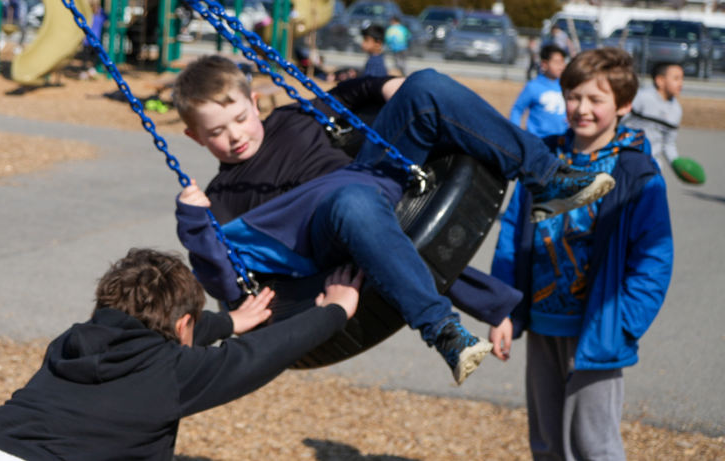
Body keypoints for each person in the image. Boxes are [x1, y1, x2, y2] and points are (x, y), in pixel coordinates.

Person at [172, 56, 616, 385]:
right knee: (351, 202)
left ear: (255, 102)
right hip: (328, 227)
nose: (235, 135)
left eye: (240, 118)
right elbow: (226, 281)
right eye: (216, 131)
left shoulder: (294, 117)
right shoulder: (220, 199)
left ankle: (547, 176)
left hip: (371, 179)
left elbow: (355, 93)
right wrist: (194, 221)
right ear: (195, 136)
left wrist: (393, 89)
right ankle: (442, 331)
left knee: (425, 85)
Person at [0, 249, 363, 461]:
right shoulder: (173, 371)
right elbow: (258, 356)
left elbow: (147, 333)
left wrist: (227, 323)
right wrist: (333, 312)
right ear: (184, 323)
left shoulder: (70, 344)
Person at [489, 48, 673, 460]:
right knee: (547, 443)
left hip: (598, 329)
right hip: (541, 324)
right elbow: (511, 234)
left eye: (595, 99)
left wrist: (623, 324)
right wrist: (501, 308)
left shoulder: (635, 172)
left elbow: (654, 258)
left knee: (595, 445)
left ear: (623, 105)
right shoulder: (542, 160)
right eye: (573, 96)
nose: (581, 108)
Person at [621, 62, 682, 170]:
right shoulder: (641, 98)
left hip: (651, 166)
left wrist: (677, 164)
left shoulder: (676, 111)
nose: (681, 83)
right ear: (660, 81)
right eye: (676, 78)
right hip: (625, 160)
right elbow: (619, 123)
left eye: (682, 79)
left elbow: (668, 143)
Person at [511, 44, 569, 138]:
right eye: (557, 62)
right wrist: (516, 133)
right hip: (538, 141)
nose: (561, 66)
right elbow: (517, 109)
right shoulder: (533, 86)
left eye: (562, 62)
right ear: (544, 64)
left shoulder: (565, 86)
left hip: (561, 141)